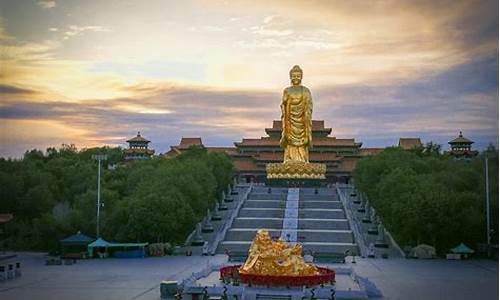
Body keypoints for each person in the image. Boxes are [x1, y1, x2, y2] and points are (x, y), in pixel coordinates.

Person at [280, 65, 313, 163]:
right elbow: (283, 105)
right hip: (290, 121)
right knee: (289, 141)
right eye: (294, 76)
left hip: (302, 121)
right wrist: (284, 103)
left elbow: (309, 106)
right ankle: (290, 158)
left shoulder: (306, 91)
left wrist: (306, 111)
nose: (296, 78)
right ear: (290, 76)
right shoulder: (287, 90)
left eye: (298, 76)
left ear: (301, 77)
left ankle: (302, 158)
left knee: (302, 142)